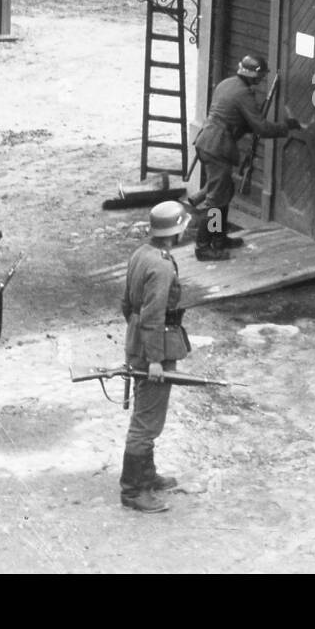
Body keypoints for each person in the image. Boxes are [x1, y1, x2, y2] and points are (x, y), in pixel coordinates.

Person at [188, 54, 301, 261]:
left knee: (223, 193)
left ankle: (219, 239)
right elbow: (261, 128)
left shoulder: (227, 84)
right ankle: (203, 247)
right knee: (215, 200)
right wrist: (286, 127)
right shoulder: (243, 94)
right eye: (261, 76)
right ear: (254, 75)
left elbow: (237, 118)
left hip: (208, 142)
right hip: (217, 148)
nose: (261, 80)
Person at [119, 200, 193, 513]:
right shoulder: (162, 265)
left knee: (148, 415)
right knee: (146, 423)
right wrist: (153, 360)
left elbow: (128, 304)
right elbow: (154, 314)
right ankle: (134, 492)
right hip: (156, 347)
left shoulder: (141, 254)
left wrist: (137, 341)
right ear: (175, 231)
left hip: (141, 340)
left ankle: (146, 476)